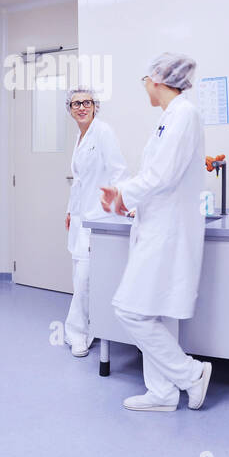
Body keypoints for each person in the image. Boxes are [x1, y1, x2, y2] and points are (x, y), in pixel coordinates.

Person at [100, 54, 210, 412]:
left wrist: (123, 193)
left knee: (131, 310)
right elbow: (161, 177)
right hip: (159, 223)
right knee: (155, 310)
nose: (145, 86)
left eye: (145, 79)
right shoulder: (171, 117)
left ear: (158, 80)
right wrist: (128, 201)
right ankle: (163, 394)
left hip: (168, 230)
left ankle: (190, 375)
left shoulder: (183, 115)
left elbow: (163, 176)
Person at [63, 86, 126, 358]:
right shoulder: (80, 136)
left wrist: (124, 204)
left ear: (94, 106)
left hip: (98, 217)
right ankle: (89, 328)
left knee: (84, 279)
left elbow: (119, 171)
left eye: (86, 102)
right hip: (79, 217)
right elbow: (78, 181)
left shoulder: (103, 132)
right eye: (75, 104)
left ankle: (77, 333)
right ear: (70, 109)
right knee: (80, 277)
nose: (81, 107)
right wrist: (69, 210)